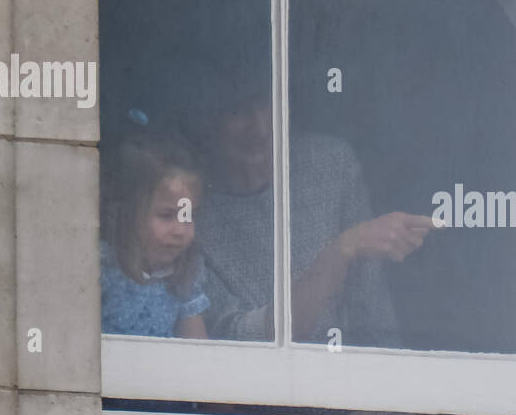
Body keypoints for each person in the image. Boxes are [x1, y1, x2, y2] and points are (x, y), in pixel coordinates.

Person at [193, 93, 436, 345]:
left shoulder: (329, 164)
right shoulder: (189, 213)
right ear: (208, 120)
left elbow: (371, 306)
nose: (260, 127)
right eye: (238, 111)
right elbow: (241, 340)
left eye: (267, 104)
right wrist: (339, 253)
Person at [100, 120, 209, 338]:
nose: (180, 230)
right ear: (127, 215)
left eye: (189, 216)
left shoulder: (185, 275)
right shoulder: (102, 267)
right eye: (167, 215)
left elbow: (197, 350)